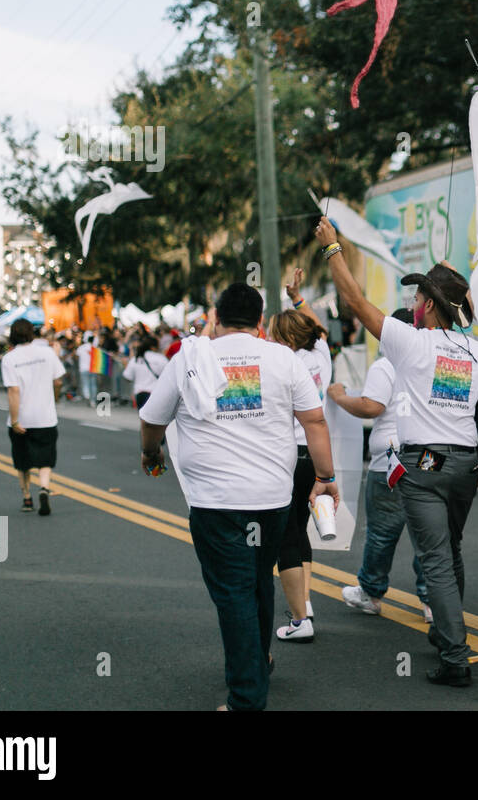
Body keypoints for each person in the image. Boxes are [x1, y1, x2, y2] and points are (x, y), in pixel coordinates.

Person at [314, 221, 478, 687]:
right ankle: (444, 633)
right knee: (450, 550)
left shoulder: (410, 342)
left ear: (432, 306)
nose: (414, 305)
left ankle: (455, 657)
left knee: (435, 557)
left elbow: (356, 302)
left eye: (419, 298)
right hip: (464, 464)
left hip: (423, 464)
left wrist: (332, 247)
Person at [139, 284, 335, 711]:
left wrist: (150, 453)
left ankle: (246, 697)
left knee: (234, 593)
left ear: (215, 317)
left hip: (216, 502)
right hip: (271, 499)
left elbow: (152, 419)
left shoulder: (189, 359)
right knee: (258, 582)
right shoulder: (282, 358)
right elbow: (315, 420)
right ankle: (257, 662)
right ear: (261, 321)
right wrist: (326, 477)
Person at [330, 308, 432, 624]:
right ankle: (432, 602)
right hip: (429, 457)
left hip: (392, 460)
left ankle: (371, 593)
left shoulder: (387, 364)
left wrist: (340, 396)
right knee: (428, 533)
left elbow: (372, 406)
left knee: (382, 533)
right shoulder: (431, 362)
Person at [268, 270, 334, 643]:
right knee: (300, 530)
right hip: (315, 455)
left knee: (287, 535)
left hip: (287, 454)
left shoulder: (282, 364)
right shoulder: (320, 355)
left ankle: (300, 617)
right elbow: (318, 329)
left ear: (286, 338)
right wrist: (297, 298)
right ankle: (304, 602)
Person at [2, 318, 66, 515]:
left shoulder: (9, 358)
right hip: (45, 416)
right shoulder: (46, 353)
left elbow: (13, 391)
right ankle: (45, 488)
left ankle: (27, 498)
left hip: (23, 417)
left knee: (23, 462)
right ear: (31, 333)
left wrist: (14, 420)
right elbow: (58, 382)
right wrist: (53, 401)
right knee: (45, 458)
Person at [123, 335, 168, 411]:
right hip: (156, 394)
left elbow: (127, 377)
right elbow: (169, 377)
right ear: (153, 347)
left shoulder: (136, 359)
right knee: (155, 420)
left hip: (140, 394)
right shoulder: (161, 359)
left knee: (143, 420)